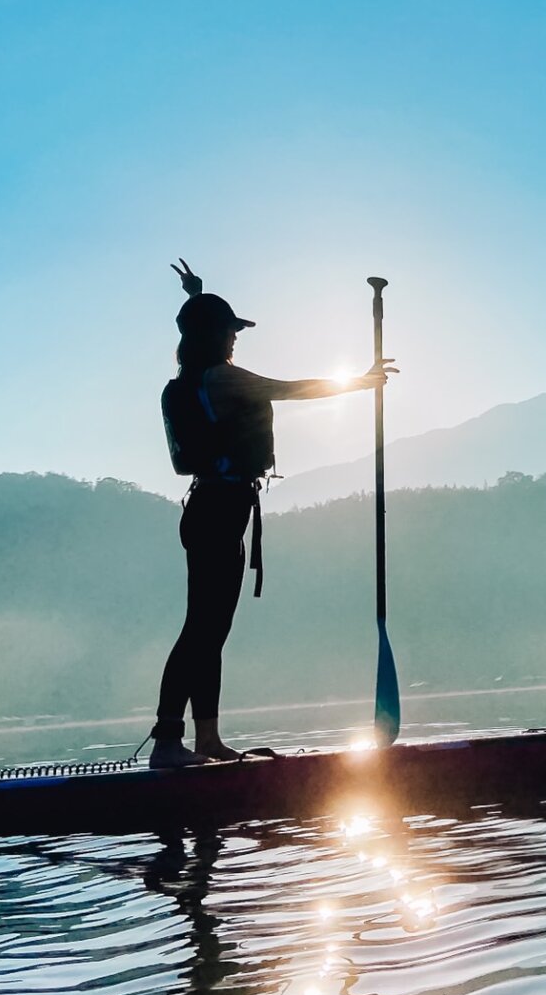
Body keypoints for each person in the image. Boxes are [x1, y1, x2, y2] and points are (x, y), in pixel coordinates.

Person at [151, 260, 397, 769]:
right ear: (213, 335)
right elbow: (292, 389)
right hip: (218, 509)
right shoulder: (224, 380)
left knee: (212, 629)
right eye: (230, 331)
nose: (235, 339)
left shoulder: (191, 379)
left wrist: (198, 294)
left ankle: (207, 741)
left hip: (219, 506)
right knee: (201, 629)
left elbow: (199, 329)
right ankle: (168, 744)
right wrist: (363, 381)